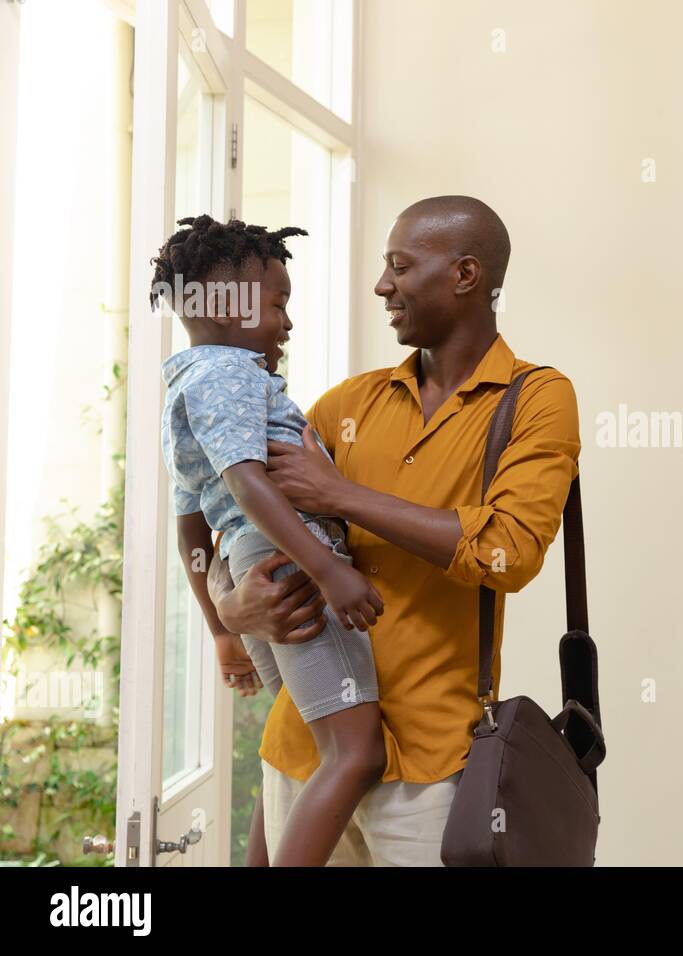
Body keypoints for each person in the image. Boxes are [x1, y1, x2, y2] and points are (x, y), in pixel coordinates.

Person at [207, 195, 582, 866]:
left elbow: (509, 553)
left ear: (466, 275)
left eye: (400, 266)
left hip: (433, 771)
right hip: (306, 748)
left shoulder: (538, 399)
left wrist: (340, 495)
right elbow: (235, 520)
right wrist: (232, 609)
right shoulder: (345, 405)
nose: (383, 285)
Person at [154, 216, 387, 867]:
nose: (287, 322)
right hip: (288, 560)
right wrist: (329, 570)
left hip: (249, 561)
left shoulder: (187, 386)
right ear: (226, 308)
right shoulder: (229, 376)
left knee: (299, 745)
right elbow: (250, 485)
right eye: (278, 303)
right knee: (355, 751)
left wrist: (222, 631)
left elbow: (190, 523)